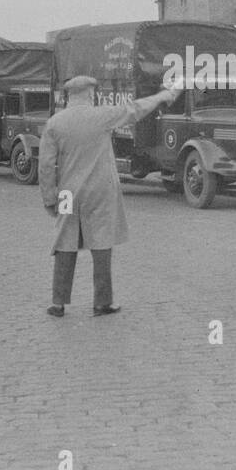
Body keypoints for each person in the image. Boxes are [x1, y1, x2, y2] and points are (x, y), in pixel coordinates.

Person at [38, 74, 182, 317]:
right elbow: (136, 109)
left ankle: (58, 303)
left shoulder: (54, 123)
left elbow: (45, 165)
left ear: (70, 96)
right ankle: (102, 302)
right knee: (102, 243)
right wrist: (163, 96)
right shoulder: (102, 116)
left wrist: (50, 198)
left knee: (64, 242)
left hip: (66, 193)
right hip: (99, 192)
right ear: (89, 94)